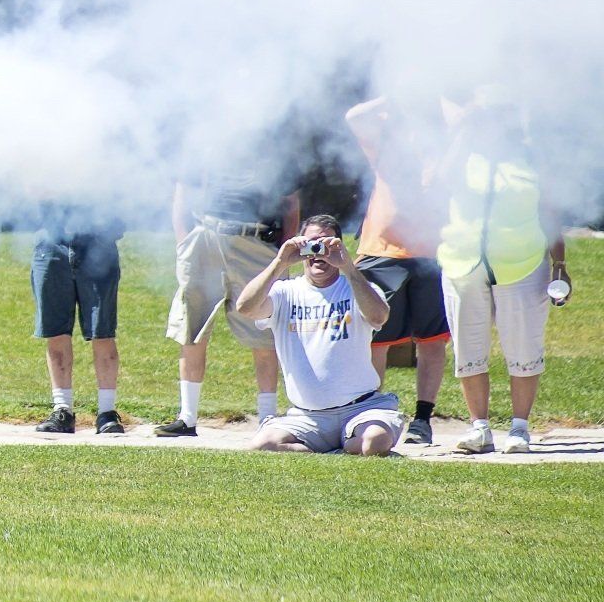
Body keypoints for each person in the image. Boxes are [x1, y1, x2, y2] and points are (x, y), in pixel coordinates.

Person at [432, 93, 569, 455]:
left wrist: (560, 265)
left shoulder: (532, 159)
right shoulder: (460, 157)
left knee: (523, 345)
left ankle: (520, 428)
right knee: (468, 347)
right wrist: (462, 127)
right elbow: (436, 181)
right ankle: (479, 427)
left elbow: (550, 213)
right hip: (463, 263)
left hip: (521, 262)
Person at [236, 214, 402, 454]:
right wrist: (280, 262)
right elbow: (246, 307)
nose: (318, 250)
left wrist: (347, 266)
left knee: (373, 442)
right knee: (264, 445)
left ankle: (343, 448)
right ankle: (338, 451)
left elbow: (378, 317)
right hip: (307, 416)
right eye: (311, 242)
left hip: (362, 409)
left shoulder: (357, 288)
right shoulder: (285, 292)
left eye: (327, 243)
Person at [155, 168, 300, 437]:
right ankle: (187, 418)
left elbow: (291, 204)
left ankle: (267, 417)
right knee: (192, 329)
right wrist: (183, 243)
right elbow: (183, 193)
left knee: (264, 330)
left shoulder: (276, 144)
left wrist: (280, 254)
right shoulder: (206, 140)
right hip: (206, 236)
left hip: (257, 239)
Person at [345, 97, 450, 447]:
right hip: (381, 251)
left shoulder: (445, 142)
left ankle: (422, 419)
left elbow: (467, 118)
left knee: (432, 341)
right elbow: (355, 115)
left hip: (432, 254)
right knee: (376, 340)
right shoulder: (385, 140)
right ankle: (370, 414)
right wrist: (396, 93)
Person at [31, 207, 124, 435]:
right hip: (51, 244)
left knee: (102, 332)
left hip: (98, 243)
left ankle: (107, 413)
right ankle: (62, 409)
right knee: (55, 331)